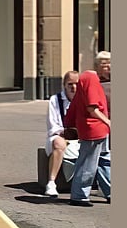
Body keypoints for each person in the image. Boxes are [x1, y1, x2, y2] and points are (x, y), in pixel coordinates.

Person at [64, 70, 111, 206]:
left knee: (98, 161)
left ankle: (85, 194)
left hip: (94, 129)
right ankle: (79, 196)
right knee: (91, 163)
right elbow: (92, 108)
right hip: (95, 128)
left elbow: (74, 107)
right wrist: (107, 121)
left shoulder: (85, 82)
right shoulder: (91, 80)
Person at [42, 71, 81, 197]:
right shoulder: (55, 100)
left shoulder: (84, 99)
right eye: (70, 84)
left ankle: (100, 182)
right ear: (64, 85)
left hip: (80, 136)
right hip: (60, 136)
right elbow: (53, 126)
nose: (73, 87)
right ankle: (51, 182)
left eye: (76, 84)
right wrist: (68, 132)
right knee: (59, 143)